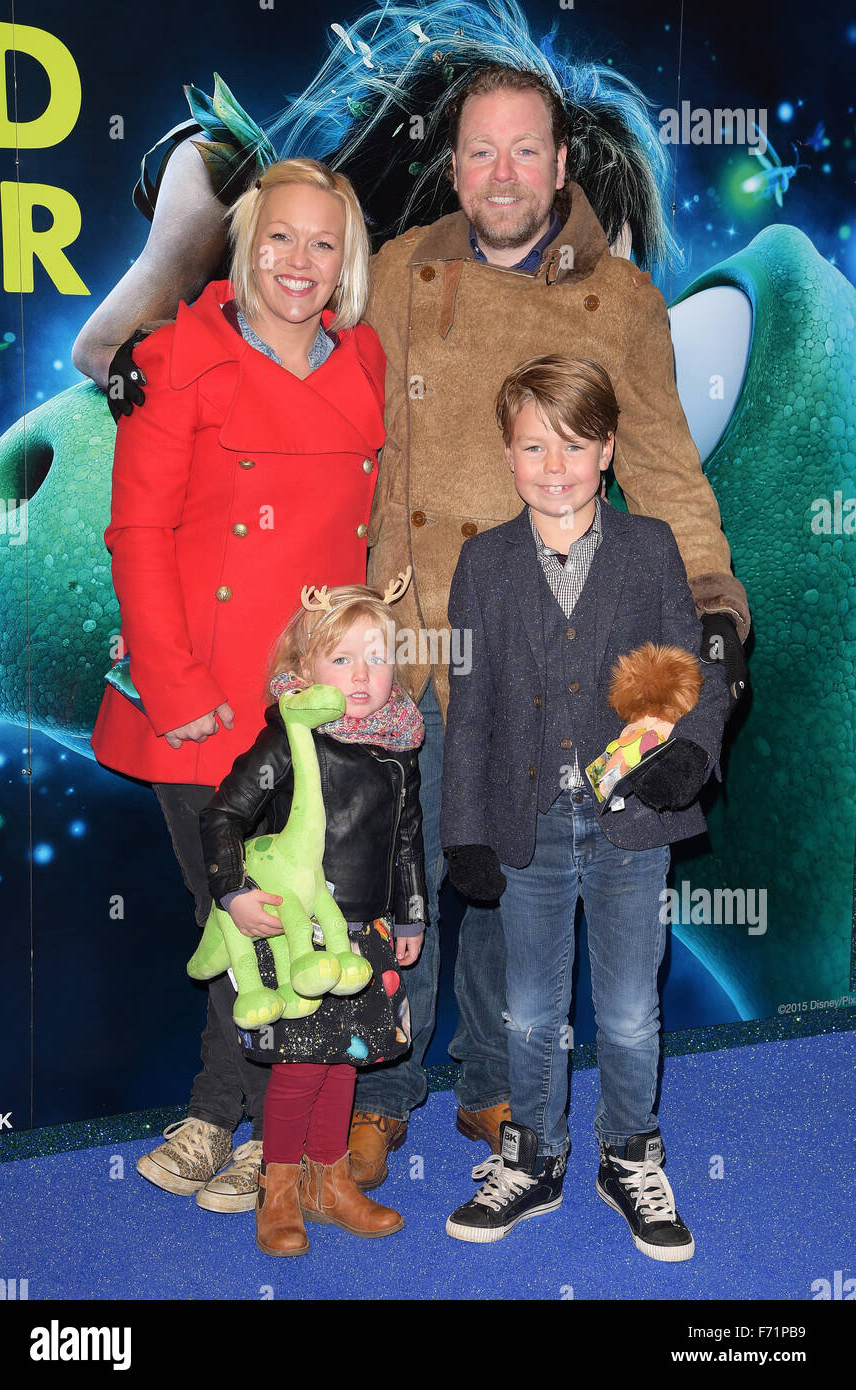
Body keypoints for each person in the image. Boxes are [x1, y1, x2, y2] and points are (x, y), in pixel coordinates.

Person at [351, 61, 748, 1184]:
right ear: (453, 163)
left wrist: (713, 611)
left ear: (563, 164)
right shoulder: (401, 267)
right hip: (413, 626)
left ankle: (490, 1089)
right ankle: (386, 1091)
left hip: (537, 634)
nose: (503, 174)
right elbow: (298, 330)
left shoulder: (618, 298)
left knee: (506, 878)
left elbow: (666, 471)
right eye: (480, 151)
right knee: (400, 883)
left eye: (526, 149)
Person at [91, 158, 387, 1212]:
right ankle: (232, 1109)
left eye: (324, 243)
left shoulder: (367, 364)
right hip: (205, 701)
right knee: (235, 908)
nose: (299, 264)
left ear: (346, 261)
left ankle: (250, 1123)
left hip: (315, 709)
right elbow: (136, 533)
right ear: (245, 243)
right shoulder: (175, 359)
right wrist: (173, 690)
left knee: (303, 915)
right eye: (280, 238)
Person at [439, 355, 728, 1258]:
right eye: (533, 445)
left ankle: (629, 1153)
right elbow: (470, 705)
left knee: (633, 1009)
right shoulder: (481, 562)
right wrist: (465, 834)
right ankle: (533, 1157)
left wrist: (690, 754)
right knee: (528, 1008)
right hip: (527, 832)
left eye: (572, 444)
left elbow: (693, 670)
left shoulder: (649, 548)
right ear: (508, 453)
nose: (553, 465)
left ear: (607, 449)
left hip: (631, 828)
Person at [198, 580, 426, 1255]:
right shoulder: (289, 739)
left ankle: (330, 1183)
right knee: (300, 1066)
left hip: (369, 934)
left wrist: (410, 915)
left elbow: (407, 838)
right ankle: (280, 1188)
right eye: (342, 659)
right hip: (301, 935)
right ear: (305, 668)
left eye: (377, 658)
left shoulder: (401, 744)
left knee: (345, 1063)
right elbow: (222, 815)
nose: (362, 675)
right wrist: (233, 891)